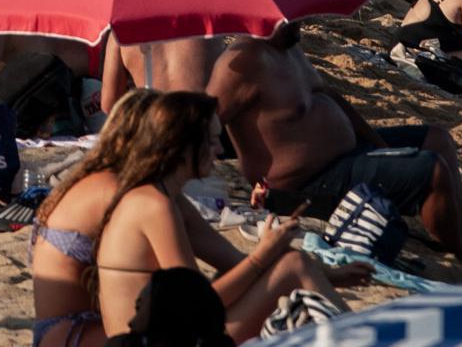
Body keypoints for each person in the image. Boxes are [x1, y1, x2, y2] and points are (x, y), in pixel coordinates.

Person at [207, 24, 462, 257]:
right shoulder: (241, 64)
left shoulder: (288, 48)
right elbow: (204, 119)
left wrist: (379, 144)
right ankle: (459, 257)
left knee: (437, 139)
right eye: (291, 20)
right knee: (431, 169)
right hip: (307, 184)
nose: (300, 23)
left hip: (346, 156)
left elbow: (329, 96)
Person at [87, 90, 335, 339]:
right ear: (184, 146)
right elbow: (197, 306)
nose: (219, 149)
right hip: (150, 342)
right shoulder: (154, 206)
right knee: (293, 266)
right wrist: (263, 255)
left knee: (283, 264)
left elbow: (233, 262)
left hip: (164, 335)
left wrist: (330, 274)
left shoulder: (166, 197)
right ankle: (358, 332)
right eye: (212, 140)